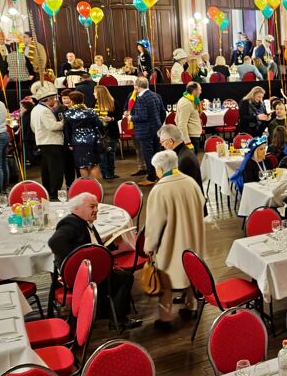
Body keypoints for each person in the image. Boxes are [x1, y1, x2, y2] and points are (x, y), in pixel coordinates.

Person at [47, 192, 140, 329]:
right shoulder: (71, 223)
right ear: (77, 209)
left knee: (121, 276)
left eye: (96, 206)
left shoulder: (83, 221)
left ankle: (109, 314)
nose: (96, 210)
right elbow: (55, 242)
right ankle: (117, 321)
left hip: (90, 271)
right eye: (92, 206)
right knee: (125, 278)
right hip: (79, 277)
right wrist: (76, 264)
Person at [143, 150, 206, 331]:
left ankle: (166, 318)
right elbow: (201, 203)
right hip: (193, 237)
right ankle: (191, 307)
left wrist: (150, 246)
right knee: (191, 272)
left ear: (160, 169)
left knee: (166, 279)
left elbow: (154, 223)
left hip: (171, 242)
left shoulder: (160, 189)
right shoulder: (190, 182)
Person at [30, 81, 68, 197]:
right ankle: (54, 192)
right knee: (55, 169)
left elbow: (33, 127)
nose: (55, 101)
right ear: (49, 99)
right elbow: (53, 126)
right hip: (52, 142)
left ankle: (47, 190)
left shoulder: (35, 109)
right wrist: (63, 122)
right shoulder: (45, 110)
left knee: (46, 169)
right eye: (54, 99)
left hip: (42, 141)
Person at [130, 76, 164, 185]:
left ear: (138, 86)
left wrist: (131, 118)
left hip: (145, 131)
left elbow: (142, 117)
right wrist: (158, 123)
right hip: (157, 129)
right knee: (157, 153)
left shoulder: (141, 98)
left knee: (148, 155)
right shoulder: (156, 95)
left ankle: (150, 178)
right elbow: (163, 113)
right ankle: (159, 175)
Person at [63, 90, 103, 180]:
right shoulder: (90, 111)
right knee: (94, 164)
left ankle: (86, 187)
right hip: (92, 140)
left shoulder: (68, 114)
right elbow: (99, 125)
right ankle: (96, 187)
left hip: (77, 142)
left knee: (82, 165)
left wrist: (69, 143)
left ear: (72, 101)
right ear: (83, 100)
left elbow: (67, 130)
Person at [158, 124, 202, 193]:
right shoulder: (183, 152)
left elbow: (175, 188)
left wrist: (162, 176)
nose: (162, 145)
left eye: (162, 141)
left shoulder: (184, 159)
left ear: (171, 141)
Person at [94, 85, 118, 180]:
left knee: (111, 153)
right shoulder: (94, 103)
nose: (93, 94)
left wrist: (111, 118)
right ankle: (104, 173)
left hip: (111, 131)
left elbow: (119, 116)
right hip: (99, 132)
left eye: (95, 92)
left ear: (100, 94)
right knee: (102, 154)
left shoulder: (113, 103)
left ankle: (111, 172)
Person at [175, 81, 204, 151]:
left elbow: (176, 119)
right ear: (194, 91)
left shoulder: (193, 100)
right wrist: (187, 142)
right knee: (190, 161)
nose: (201, 92)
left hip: (194, 135)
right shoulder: (186, 103)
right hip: (191, 138)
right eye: (200, 90)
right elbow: (181, 124)